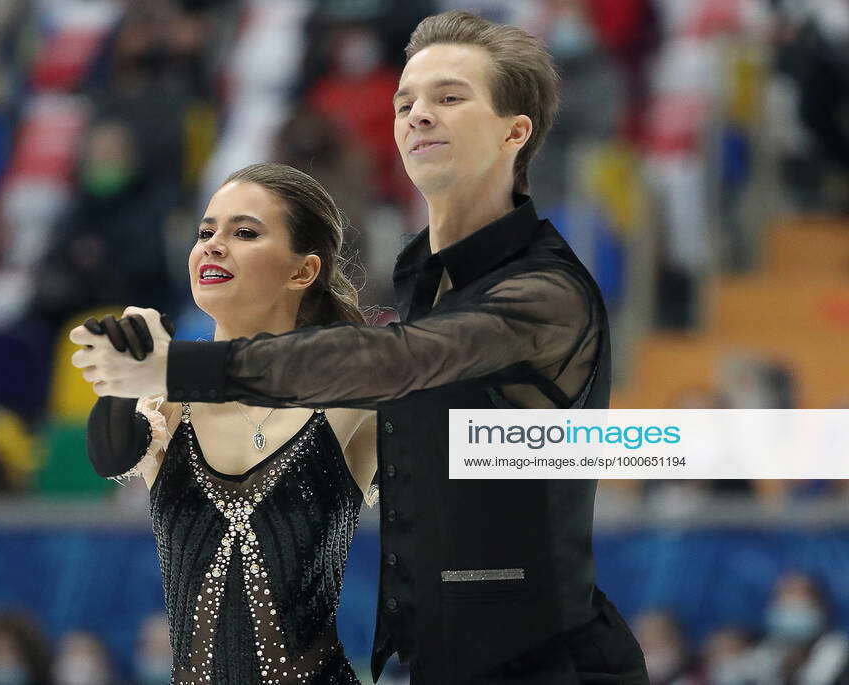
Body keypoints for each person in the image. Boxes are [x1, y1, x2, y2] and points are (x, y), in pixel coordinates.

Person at [72, 11, 648, 684]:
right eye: (406, 101)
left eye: (449, 97)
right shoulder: (422, 285)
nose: (418, 115)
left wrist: (180, 365)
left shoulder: (543, 290)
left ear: (513, 133)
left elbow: (394, 366)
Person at [72, 163, 378, 683]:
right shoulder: (165, 398)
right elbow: (111, 455)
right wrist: (124, 380)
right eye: (205, 231)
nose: (212, 245)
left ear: (302, 272)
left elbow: (486, 458)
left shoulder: (349, 396)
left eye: (244, 232)